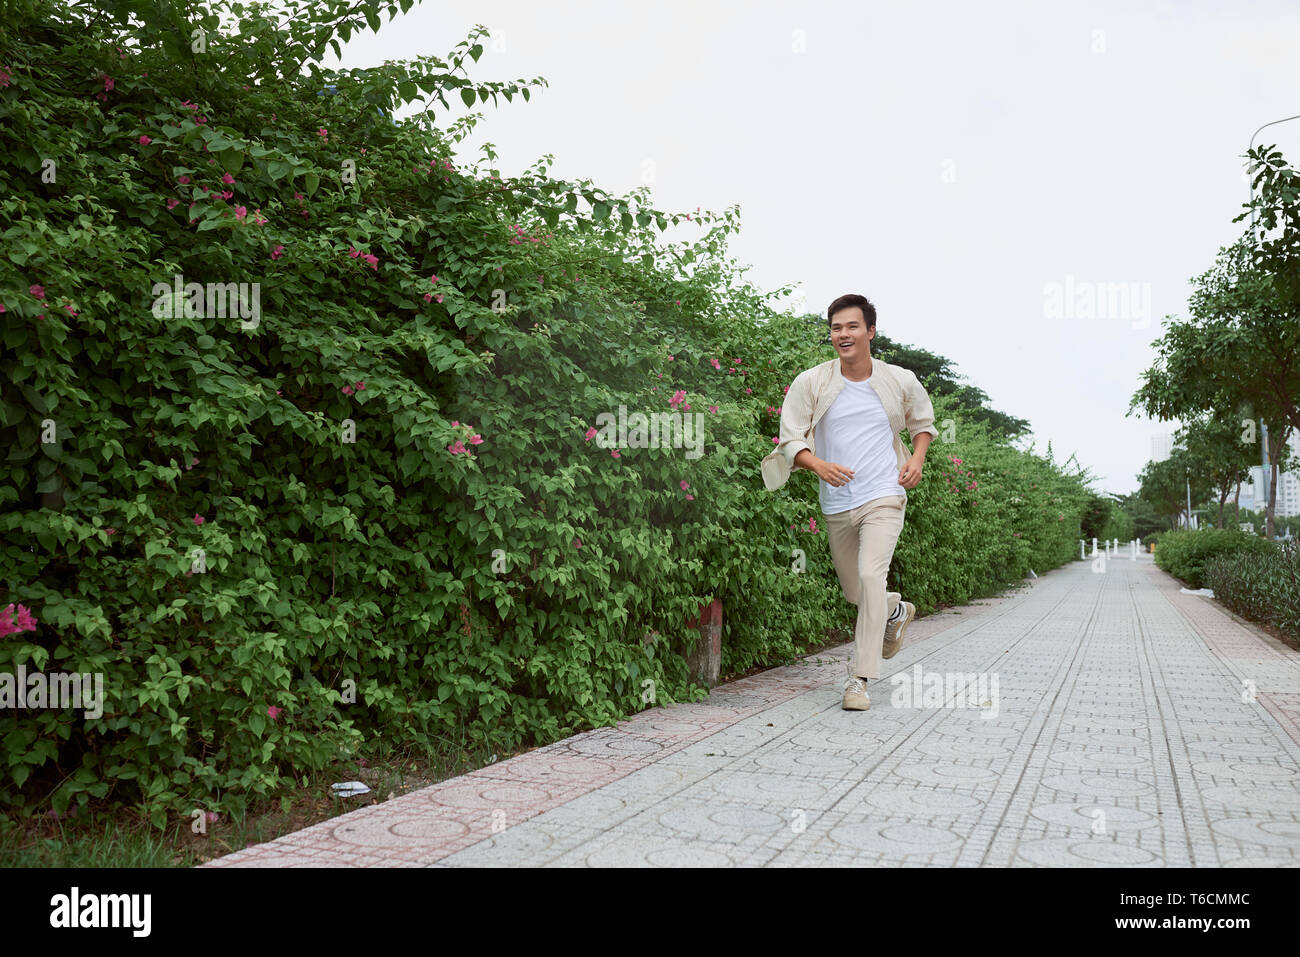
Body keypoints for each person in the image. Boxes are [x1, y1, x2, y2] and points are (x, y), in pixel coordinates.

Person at [761, 294, 938, 711]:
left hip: (884, 494)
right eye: (836, 328)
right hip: (838, 501)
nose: (843, 334)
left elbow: (922, 422)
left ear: (870, 331)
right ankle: (893, 612)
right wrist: (817, 465)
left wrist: (916, 458)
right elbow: (790, 439)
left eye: (852, 326)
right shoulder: (812, 382)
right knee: (857, 591)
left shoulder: (899, 379)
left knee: (871, 576)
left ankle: (858, 679)